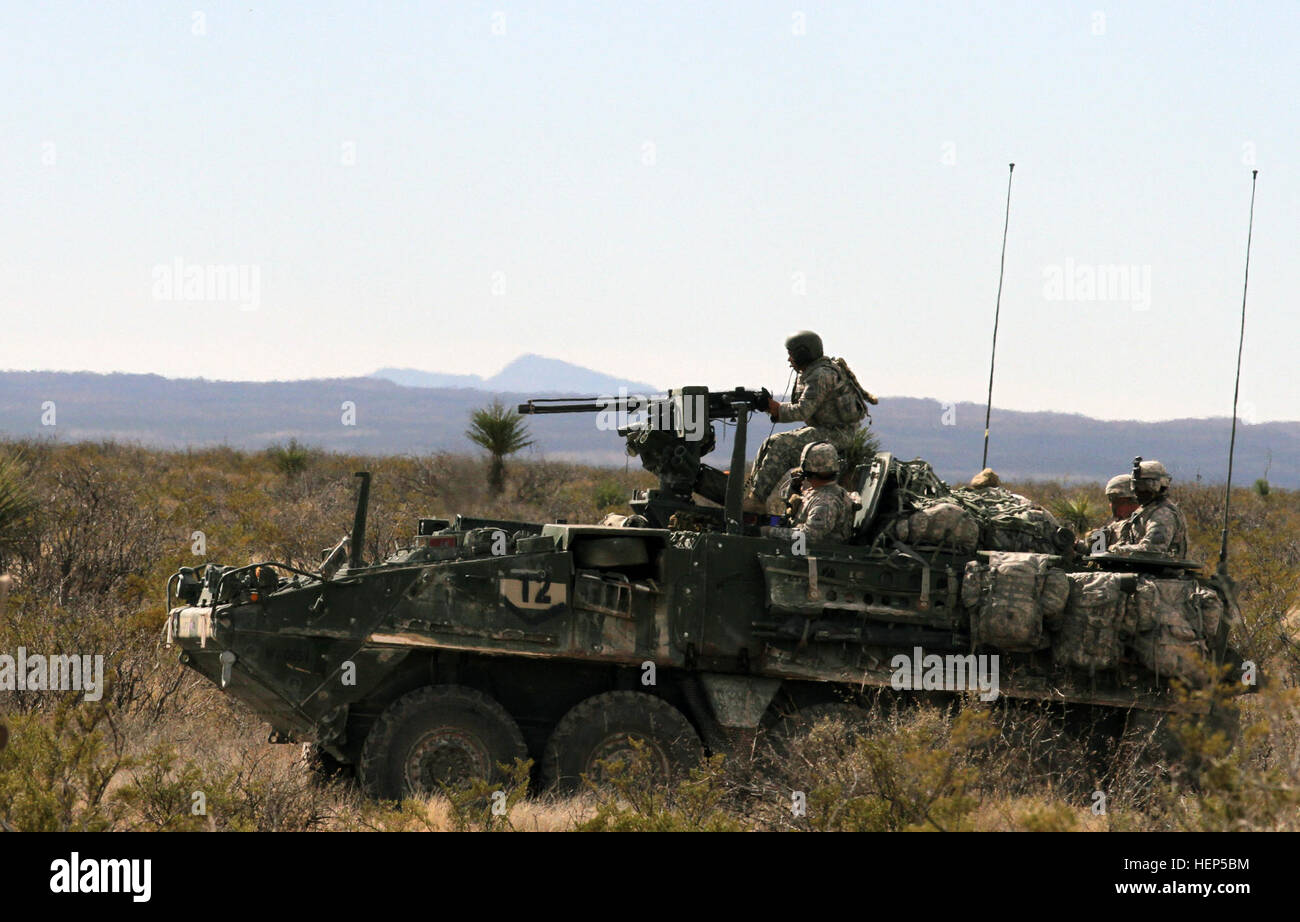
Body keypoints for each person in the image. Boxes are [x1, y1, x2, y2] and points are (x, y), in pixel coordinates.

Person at [744, 331, 873, 512]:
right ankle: (752, 495)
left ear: (803, 353)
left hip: (838, 435)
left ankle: (756, 502)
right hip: (825, 430)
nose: (789, 359)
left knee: (782, 445)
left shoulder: (821, 374)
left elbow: (803, 410)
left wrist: (774, 407)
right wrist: (771, 407)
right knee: (770, 442)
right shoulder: (810, 372)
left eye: (792, 354)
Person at [760, 442, 855, 544]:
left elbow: (808, 536)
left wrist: (769, 531)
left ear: (806, 467)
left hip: (812, 556)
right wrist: (795, 486)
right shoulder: (820, 491)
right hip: (800, 549)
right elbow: (790, 515)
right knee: (763, 521)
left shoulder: (825, 502)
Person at [1110, 459, 1189, 558]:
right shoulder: (1144, 511)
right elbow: (1121, 533)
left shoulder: (1163, 514)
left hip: (1161, 571)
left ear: (1156, 486)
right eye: (1134, 485)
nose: (1136, 490)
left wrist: (1117, 550)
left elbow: (1152, 550)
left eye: (1142, 486)